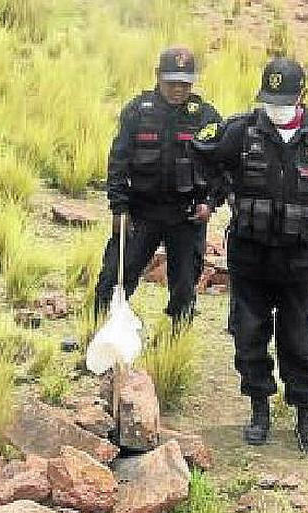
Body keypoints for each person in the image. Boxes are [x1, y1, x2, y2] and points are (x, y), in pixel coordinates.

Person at [191, 57, 308, 453]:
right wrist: (227, 189)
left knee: (298, 338)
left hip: (298, 259)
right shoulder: (242, 130)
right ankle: (259, 409)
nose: (277, 108)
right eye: (271, 101)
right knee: (249, 333)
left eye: (285, 100)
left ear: (303, 96)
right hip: (249, 256)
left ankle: (305, 417)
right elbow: (202, 150)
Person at [94, 47, 221, 324]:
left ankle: (175, 348)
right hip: (141, 213)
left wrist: (209, 204)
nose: (178, 89)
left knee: (184, 290)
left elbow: (220, 168)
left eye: (184, 83)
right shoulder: (138, 112)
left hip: (186, 218)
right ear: (157, 77)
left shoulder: (206, 117)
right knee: (114, 279)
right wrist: (119, 208)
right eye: (171, 82)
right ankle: (100, 335)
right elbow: (118, 162)